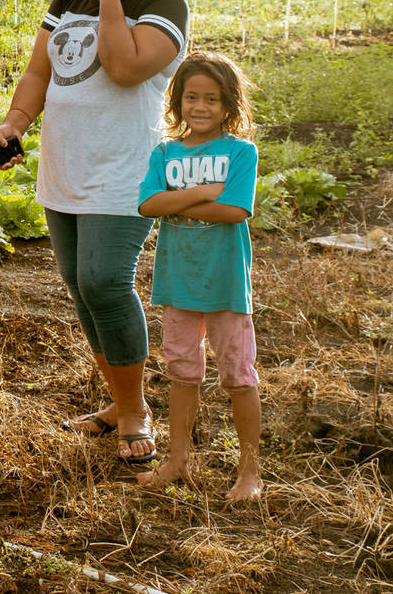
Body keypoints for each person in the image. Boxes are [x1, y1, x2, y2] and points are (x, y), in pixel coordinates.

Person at [0, 0, 190, 466]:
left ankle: (135, 412)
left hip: (123, 168)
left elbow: (125, 69)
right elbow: (38, 71)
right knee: (81, 288)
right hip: (65, 164)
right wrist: (14, 123)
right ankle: (117, 402)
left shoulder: (166, 4)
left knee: (104, 281)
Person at [135, 52, 262, 502]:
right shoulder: (165, 152)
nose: (201, 107)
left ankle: (250, 474)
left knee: (238, 376)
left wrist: (178, 199)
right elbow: (147, 205)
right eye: (192, 97)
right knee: (182, 373)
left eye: (211, 98)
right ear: (178, 101)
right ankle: (176, 461)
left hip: (225, 284)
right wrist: (201, 193)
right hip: (178, 281)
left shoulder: (240, 152)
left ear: (229, 105)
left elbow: (234, 210)